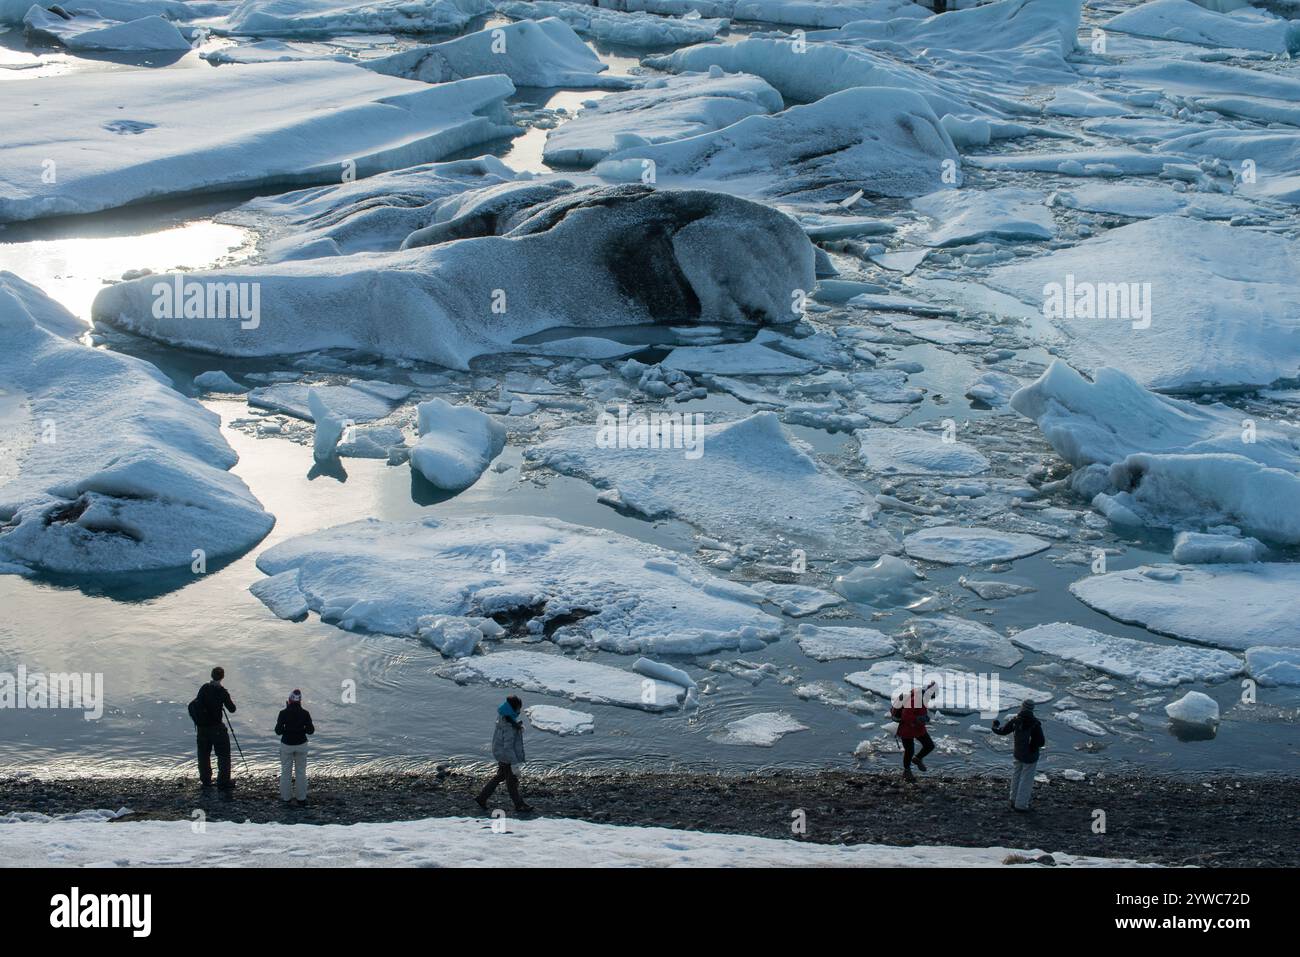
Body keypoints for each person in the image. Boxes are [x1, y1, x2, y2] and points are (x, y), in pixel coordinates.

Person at [475, 695, 534, 813]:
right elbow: (508, 747)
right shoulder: (508, 726)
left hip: (501, 754)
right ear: (513, 709)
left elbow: (509, 731)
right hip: (506, 756)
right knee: (511, 781)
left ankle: (481, 798)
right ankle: (519, 805)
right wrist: (514, 764)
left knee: (500, 777)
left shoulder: (504, 718)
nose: (519, 711)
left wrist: (517, 727)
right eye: (518, 708)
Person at [993, 699, 1047, 812]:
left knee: (1016, 775)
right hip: (1030, 756)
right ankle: (1021, 805)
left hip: (1018, 753)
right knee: (1026, 779)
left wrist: (995, 726)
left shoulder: (1016, 720)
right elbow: (1041, 742)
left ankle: (1013, 799)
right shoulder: (1035, 723)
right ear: (1032, 709)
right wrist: (1033, 745)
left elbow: (1002, 731)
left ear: (1022, 707)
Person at [194, 667, 236, 791]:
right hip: (217, 728)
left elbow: (198, 703)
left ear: (211, 676)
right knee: (223, 755)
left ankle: (206, 780)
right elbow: (232, 709)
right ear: (222, 677)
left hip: (202, 728)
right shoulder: (222, 691)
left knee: (203, 754)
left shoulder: (204, 688)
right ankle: (223, 781)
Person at [275, 689, 315, 806]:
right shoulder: (305, 713)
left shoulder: (283, 713)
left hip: (287, 744)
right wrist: (301, 729)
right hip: (301, 744)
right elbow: (310, 731)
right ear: (300, 701)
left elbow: (278, 731)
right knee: (301, 772)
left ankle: (286, 797)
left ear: (289, 700)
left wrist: (286, 728)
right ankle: (301, 798)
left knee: (286, 771)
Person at [891, 680, 936, 782]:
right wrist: (919, 718)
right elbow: (906, 715)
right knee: (909, 750)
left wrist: (924, 717)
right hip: (906, 728)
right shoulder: (915, 699)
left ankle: (917, 759)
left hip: (918, 728)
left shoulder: (923, 698)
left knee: (929, 745)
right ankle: (906, 771)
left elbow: (920, 710)